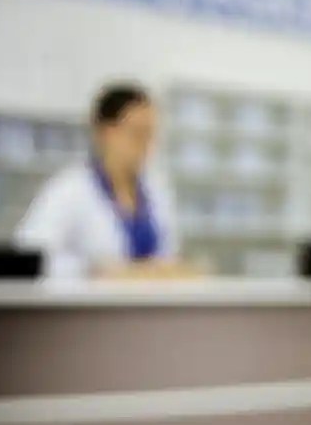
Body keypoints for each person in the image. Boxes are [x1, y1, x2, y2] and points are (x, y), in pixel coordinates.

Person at [17, 83, 195, 280]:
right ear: (105, 132)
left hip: (148, 307)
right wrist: (92, 270)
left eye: (151, 134)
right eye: (137, 133)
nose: (147, 145)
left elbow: (167, 253)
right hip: (89, 307)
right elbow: (31, 256)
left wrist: (172, 268)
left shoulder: (156, 190)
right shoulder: (70, 189)